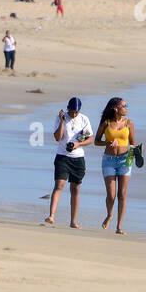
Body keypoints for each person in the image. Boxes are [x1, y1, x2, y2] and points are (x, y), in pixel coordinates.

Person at [44, 97, 93, 228]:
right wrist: (61, 121)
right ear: (67, 108)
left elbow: (90, 139)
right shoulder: (61, 117)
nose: (73, 114)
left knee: (75, 188)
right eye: (71, 111)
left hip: (78, 158)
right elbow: (57, 138)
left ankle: (73, 221)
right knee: (59, 185)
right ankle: (52, 215)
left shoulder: (84, 119)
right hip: (62, 156)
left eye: (76, 112)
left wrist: (78, 144)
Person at [95, 96, 136, 234]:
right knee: (111, 195)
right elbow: (96, 141)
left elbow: (132, 143)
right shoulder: (106, 123)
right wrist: (108, 143)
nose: (126, 108)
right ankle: (109, 215)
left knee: (122, 194)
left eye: (126, 105)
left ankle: (119, 226)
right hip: (109, 160)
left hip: (126, 160)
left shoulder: (129, 123)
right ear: (115, 109)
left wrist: (136, 152)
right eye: (124, 106)